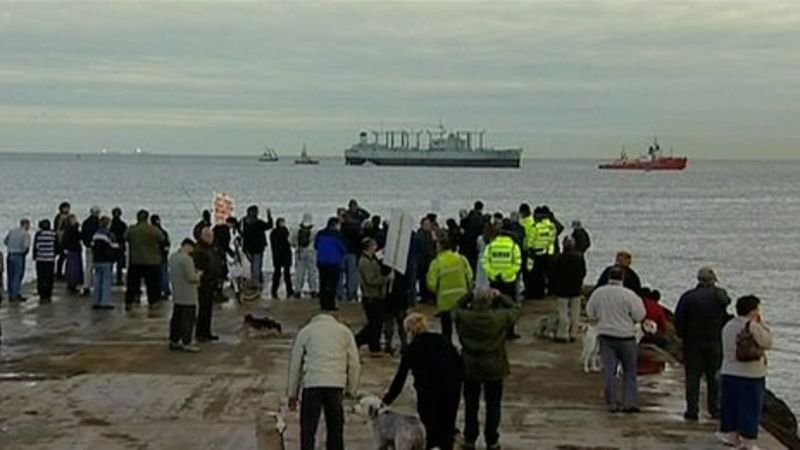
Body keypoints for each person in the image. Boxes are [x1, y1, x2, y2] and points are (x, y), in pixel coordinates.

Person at [383, 313, 463, 450]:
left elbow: (400, 378)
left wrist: (387, 400)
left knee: (431, 431)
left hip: (428, 392)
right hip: (451, 388)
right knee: (447, 427)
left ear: (409, 331)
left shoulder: (412, 348)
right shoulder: (442, 340)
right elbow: (459, 363)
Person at [454, 289, 521, 450]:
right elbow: (516, 309)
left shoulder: (464, 316)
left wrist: (469, 294)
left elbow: (454, 309)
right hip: (494, 364)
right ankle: (492, 439)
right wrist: (501, 295)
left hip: (470, 365)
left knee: (471, 404)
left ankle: (470, 437)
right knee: (493, 404)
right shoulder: (498, 318)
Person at [287, 312, 360, 450]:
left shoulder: (305, 332)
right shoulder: (344, 332)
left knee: (308, 430)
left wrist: (292, 394)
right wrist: (352, 389)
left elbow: (295, 365)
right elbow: (354, 363)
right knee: (335, 429)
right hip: (335, 385)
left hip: (312, 384)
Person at [585, 267, 647, 413]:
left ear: (608, 277)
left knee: (610, 371)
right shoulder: (629, 295)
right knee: (630, 372)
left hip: (606, 336)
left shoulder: (598, 293)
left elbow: (590, 312)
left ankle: (612, 402)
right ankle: (630, 402)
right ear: (623, 278)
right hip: (626, 337)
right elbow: (640, 315)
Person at [674, 267, 732, 421]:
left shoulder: (688, 297)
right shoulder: (719, 295)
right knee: (714, 377)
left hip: (693, 342)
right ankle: (714, 409)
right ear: (712, 280)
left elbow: (678, 320)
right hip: (714, 341)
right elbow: (727, 303)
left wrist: (683, 335)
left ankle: (692, 410)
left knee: (693, 377)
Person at [717, 295, 772, 450]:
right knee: (750, 407)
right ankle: (748, 441)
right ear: (753, 310)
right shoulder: (752, 326)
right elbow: (768, 342)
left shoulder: (728, 325)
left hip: (729, 371)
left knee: (731, 406)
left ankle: (731, 435)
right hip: (751, 374)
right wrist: (761, 324)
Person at [427, 232, 473, 343]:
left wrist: (437, 292)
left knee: (446, 331)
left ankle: (448, 351)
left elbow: (431, 284)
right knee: (462, 329)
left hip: (445, 301)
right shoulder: (461, 259)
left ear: (440, 246)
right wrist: (468, 291)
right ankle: (465, 349)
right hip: (461, 299)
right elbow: (470, 276)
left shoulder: (436, 263)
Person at [482, 222, 522, 340]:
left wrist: (494, 274)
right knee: (510, 307)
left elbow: (485, 262)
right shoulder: (513, 246)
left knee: (494, 307)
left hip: (495, 280)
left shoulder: (491, 246)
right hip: (509, 280)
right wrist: (506, 274)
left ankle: (496, 331)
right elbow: (517, 264)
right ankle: (510, 332)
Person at [354, 238, 390, 354]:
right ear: (369, 247)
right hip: (370, 296)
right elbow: (370, 280)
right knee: (375, 322)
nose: (376, 247)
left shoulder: (371, 260)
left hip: (375, 296)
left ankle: (373, 344)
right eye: (374, 245)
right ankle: (360, 340)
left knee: (376, 322)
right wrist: (386, 279)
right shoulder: (364, 262)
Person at [124, 209, 166, 309]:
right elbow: (162, 238)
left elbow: (125, 237)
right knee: (152, 285)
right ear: (147, 218)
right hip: (152, 261)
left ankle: (129, 302)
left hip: (136, 260)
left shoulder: (132, 230)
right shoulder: (153, 230)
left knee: (132, 284)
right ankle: (153, 302)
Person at [550, 237, 587, 342]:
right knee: (575, 313)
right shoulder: (579, 258)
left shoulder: (559, 258)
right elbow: (583, 272)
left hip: (562, 289)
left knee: (563, 312)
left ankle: (563, 333)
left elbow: (553, 274)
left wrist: (553, 287)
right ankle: (573, 333)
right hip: (576, 288)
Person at [169, 239, 201, 353]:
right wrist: (198, 275)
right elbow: (191, 277)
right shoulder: (187, 259)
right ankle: (187, 342)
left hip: (177, 293)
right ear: (188, 246)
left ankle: (174, 340)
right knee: (188, 319)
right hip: (188, 294)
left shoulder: (173, 257)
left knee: (176, 318)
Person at [193, 227, 223, 342]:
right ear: (203, 236)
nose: (211, 238)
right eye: (209, 236)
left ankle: (207, 332)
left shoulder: (212, 249)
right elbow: (199, 268)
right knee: (203, 309)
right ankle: (201, 333)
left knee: (208, 309)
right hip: (204, 283)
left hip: (212, 281)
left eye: (212, 236)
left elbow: (215, 263)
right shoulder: (200, 250)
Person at [314, 217, 348, 311]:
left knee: (323, 283)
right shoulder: (338, 235)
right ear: (335, 225)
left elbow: (316, 246)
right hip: (334, 262)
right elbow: (344, 249)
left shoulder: (320, 233)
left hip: (321, 261)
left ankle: (323, 303)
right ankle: (330, 304)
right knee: (332, 284)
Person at [339, 199, 369, 302]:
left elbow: (367, 214)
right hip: (352, 252)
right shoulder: (356, 225)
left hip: (344, 252)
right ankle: (351, 294)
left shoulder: (343, 225)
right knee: (351, 275)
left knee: (343, 274)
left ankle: (342, 294)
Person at [528, 206, 557, 299]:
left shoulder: (535, 227)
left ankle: (537, 294)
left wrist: (529, 249)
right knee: (548, 274)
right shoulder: (551, 226)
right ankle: (549, 292)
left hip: (537, 254)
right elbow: (552, 239)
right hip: (547, 253)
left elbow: (530, 242)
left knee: (536, 275)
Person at [241, 205, 273, 287]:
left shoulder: (244, 222)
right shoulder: (258, 223)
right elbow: (269, 225)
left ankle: (255, 279)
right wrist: (269, 216)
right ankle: (256, 282)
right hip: (258, 247)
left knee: (252, 265)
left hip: (248, 247)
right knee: (257, 264)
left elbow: (240, 230)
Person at [91, 216, 118, 310]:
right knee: (106, 281)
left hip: (96, 260)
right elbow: (115, 247)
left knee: (97, 281)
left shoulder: (96, 234)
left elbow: (92, 246)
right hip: (106, 260)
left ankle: (96, 301)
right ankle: (105, 302)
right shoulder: (109, 234)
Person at [4, 219, 32, 302]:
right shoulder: (26, 234)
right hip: (19, 255)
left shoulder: (12, 231)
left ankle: (11, 293)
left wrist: (11, 246)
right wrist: (25, 252)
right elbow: (25, 246)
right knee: (18, 275)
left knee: (11, 275)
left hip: (10, 254)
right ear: (26, 225)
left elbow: (5, 241)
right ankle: (16, 294)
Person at [293, 213, 317, 298]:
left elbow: (291, 240)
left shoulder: (296, 229)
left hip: (300, 252)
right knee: (312, 272)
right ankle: (313, 290)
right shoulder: (314, 230)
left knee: (299, 272)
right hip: (311, 252)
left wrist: (296, 245)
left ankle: (297, 290)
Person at [269, 217, 294, 299]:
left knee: (278, 273)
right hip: (284, 255)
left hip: (277, 255)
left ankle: (274, 290)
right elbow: (289, 242)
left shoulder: (273, 233)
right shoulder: (285, 231)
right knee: (286, 274)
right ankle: (289, 290)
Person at [32, 219, 56, 303]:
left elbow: (35, 246)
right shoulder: (53, 234)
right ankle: (48, 294)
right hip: (50, 259)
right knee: (49, 277)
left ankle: (42, 294)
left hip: (40, 258)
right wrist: (54, 254)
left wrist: (34, 256)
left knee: (41, 277)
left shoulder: (38, 234)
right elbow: (56, 246)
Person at [80, 206, 101, 296]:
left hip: (88, 246)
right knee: (98, 267)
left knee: (88, 267)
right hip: (98, 248)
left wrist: (86, 243)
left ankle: (86, 286)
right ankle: (98, 286)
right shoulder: (98, 223)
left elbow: (83, 234)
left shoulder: (85, 222)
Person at [150, 214, 171, 300]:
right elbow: (167, 244)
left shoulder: (151, 232)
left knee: (155, 275)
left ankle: (157, 290)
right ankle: (165, 290)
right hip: (163, 255)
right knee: (164, 273)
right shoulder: (164, 232)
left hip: (153, 256)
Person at [417, 217, 437, 304]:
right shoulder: (419, 235)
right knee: (422, 280)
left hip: (430, 260)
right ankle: (424, 297)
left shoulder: (432, 234)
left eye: (429, 224)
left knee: (430, 279)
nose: (428, 226)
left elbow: (434, 246)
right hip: (422, 260)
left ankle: (430, 297)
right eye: (426, 224)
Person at [62, 214, 84, 294]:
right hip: (73, 249)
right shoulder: (71, 229)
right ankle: (72, 284)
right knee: (73, 268)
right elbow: (77, 237)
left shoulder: (68, 229)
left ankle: (72, 284)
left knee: (72, 268)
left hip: (72, 250)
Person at [461, 201, 486, 271]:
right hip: (476, 243)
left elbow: (463, 227)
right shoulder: (481, 219)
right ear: (481, 208)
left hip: (467, 243)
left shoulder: (469, 217)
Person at [110, 207, 128, 286]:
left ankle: (109, 278)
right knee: (119, 264)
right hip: (120, 245)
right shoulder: (123, 224)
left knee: (110, 263)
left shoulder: (110, 224)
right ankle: (119, 279)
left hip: (111, 245)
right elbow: (125, 236)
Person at [53, 201, 71, 280]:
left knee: (63, 257)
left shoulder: (65, 217)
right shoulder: (61, 217)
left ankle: (61, 273)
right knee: (62, 256)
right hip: (61, 238)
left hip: (64, 238)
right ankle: (59, 273)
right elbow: (58, 228)